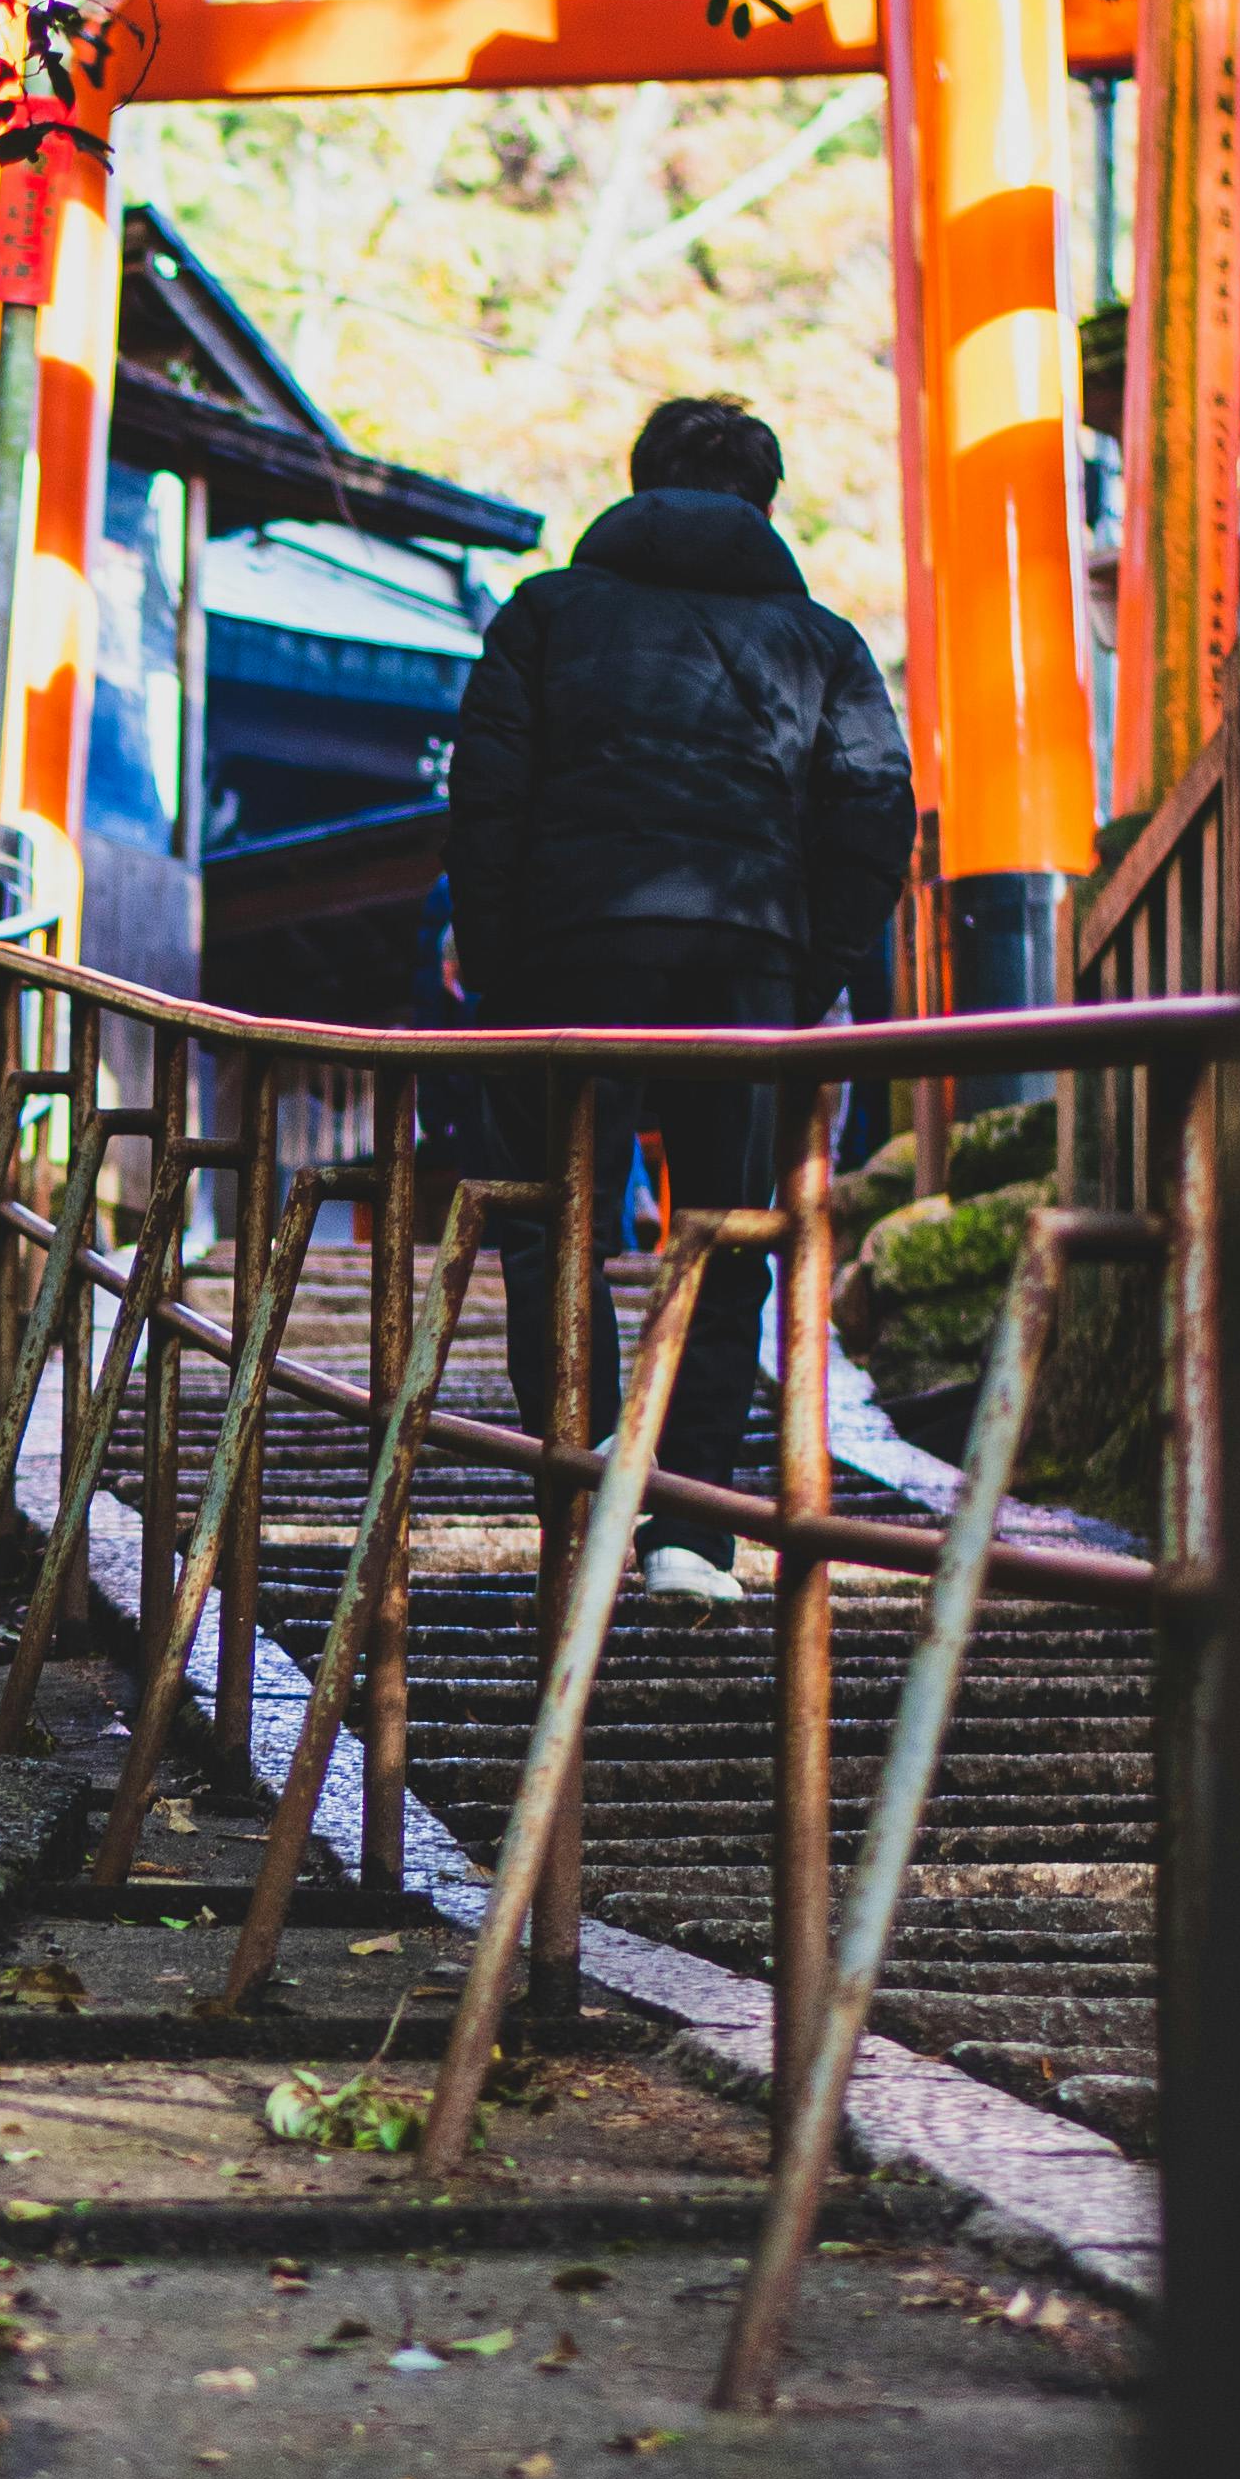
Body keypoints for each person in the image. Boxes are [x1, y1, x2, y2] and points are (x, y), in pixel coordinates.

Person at [443, 392, 915, 1603]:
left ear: (641, 483)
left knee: (557, 1220)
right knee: (724, 1233)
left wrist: (498, 966)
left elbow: (487, 795)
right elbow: (872, 822)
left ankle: (584, 1465)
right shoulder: (822, 642)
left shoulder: (544, 612)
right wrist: (802, 978)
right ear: (760, 503)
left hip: (564, 959)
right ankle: (691, 1534)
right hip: (741, 966)